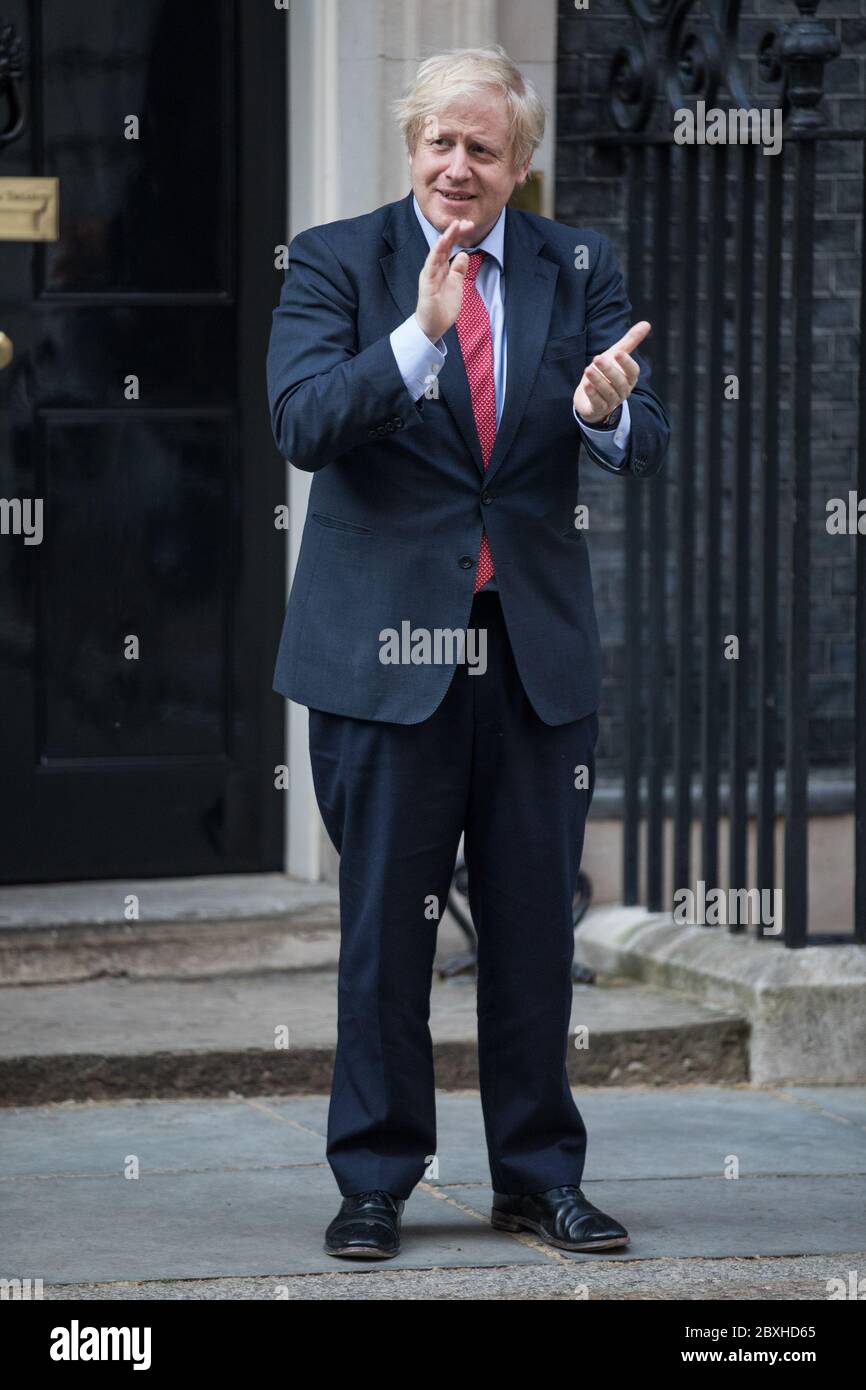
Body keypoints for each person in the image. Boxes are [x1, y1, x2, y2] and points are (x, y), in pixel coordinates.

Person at [266, 45, 670, 1259]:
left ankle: (538, 1176)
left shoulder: (575, 265)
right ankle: (376, 1181)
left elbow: (636, 428)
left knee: (533, 929)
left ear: (520, 164)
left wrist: (604, 414)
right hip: (385, 656)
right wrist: (414, 343)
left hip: (529, 651)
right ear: (409, 146)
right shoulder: (340, 261)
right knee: (388, 926)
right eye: (438, 142)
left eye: (481, 148)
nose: (456, 165)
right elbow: (300, 422)